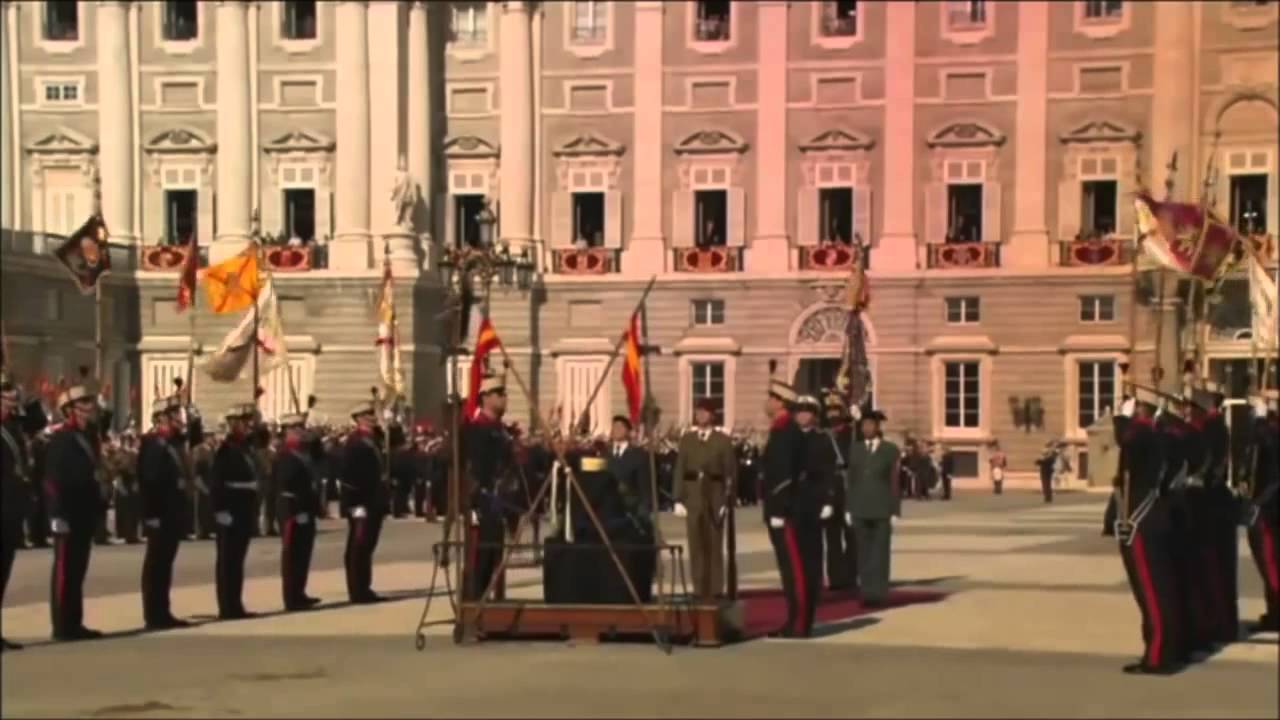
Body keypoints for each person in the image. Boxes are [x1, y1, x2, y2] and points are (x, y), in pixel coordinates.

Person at [1113, 385, 1183, 674]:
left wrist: (1122, 419)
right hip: (1155, 515)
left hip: (1141, 521)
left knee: (1151, 593)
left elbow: (1124, 440)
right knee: (1161, 589)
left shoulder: (1141, 434)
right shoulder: (1161, 436)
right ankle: (1166, 650)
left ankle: (1158, 657)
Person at [45, 384, 106, 641]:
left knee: (77, 571)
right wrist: (56, 513)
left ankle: (74, 622)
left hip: (84, 512)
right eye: (83, 404)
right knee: (64, 571)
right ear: (69, 410)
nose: (89, 408)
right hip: (67, 513)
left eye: (90, 403)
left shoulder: (87, 436)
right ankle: (62, 625)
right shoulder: (62, 438)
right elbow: (52, 479)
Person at [760, 379, 812, 638]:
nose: (767, 402)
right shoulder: (780, 429)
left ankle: (799, 623)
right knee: (787, 567)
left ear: (780, 402)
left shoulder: (786, 431)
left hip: (787, 511)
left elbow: (784, 474)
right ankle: (793, 620)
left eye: (771, 397)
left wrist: (778, 509)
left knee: (794, 568)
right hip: (782, 509)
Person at [673, 400, 737, 602]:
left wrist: (727, 501)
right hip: (693, 496)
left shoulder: (723, 441)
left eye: (704, 412)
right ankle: (699, 588)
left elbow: (731, 473)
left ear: (713, 415)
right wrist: (677, 499)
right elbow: (679, 469)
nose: (700, 416)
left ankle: (716, 587)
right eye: (698, 412)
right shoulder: (687, 440)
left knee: (714, 543)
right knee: (695, 543)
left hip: (715, 495)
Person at [138, 395, 192, 630]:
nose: (179, 420)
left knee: (164, 566)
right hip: (159, 514)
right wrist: (151, 515)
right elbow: (149, 482)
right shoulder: (153, 444)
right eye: (174, 416)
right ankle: (154, 614)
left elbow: (189, 438)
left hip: (171, 514)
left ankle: (163, 611)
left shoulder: (171, 444)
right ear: (161, 418)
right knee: (156, 566)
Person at [462, 373, 518, 601]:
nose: (504, 398)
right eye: (499, 394)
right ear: (485, 397)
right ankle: (474, 603)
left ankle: (487, 601)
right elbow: (473, 469)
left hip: (499, 500)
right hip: (484, 500)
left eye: (504, 394)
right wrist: (477, 498)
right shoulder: (477, 428)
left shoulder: (499, 429)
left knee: (494, 553)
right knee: (481, 556)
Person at [844, 407, 900, 608]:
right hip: (859, 507)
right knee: (863, 552)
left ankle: (879, 592)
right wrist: (848, 508)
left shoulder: (890, 450)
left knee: (880, 552)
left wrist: (895, 510)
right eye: (863, 424)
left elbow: (894, 481)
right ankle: (867, 592)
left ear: (877, 427)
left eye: (870, 424)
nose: (866, 428)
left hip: (882, 508)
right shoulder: (855, 449)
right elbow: (850, 480)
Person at [211, 403, 261, 620]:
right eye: (244, 422)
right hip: (230, 509)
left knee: (237, 561)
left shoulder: (244, 448)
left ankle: (236, 604)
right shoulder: (226, 450)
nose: (248, 425)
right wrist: (220, 509)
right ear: (233, 425)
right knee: (227, 562)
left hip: (243, 510)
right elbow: (217, 482)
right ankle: (227, 607)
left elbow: (262, 435)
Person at [791, 395, 835, 635]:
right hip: (795, 498)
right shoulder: (790, 438)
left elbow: (829, 471)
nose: (804, 416)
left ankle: (815, 589)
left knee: (814, 549)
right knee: (795, 549)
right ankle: (800, 589)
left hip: (814, 497)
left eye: (808, 412)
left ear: (814, 415)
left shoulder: (822, 439)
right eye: (800, 412)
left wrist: (828, 499)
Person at [341, 401, 387, 604]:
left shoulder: (372, 439)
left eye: (372, 412)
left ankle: (364, 586)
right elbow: (349, 476)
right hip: (360, 502)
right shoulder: (355, 442)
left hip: (373, 501)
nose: (372, 416)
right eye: (368, 413)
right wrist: (355, 503)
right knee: (358, 546)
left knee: (367, 544)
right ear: (359, 418)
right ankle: (357, 590)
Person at [275, 413, 321, 611]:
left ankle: (300, 592)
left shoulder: (303, 452)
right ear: (287, 431)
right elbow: (285, 486)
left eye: (302, 427)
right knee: (292, 555)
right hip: (292, 510)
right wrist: (297, 511)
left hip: (306, 509)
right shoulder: (285, 454)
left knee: (304, 553)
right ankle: (291, 598)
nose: (301, 432)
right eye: (297, 428)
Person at [1243, 391, 1279, 633]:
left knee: (1271, 565)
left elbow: (1269, 446)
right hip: (1268, 504)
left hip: (1271, 506)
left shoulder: (1271, 433)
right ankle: (1275, 615)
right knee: (1270, 563)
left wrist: (1261, 420)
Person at [2, 376, 32, 651]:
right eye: (7, 401)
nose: (12, 406)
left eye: (14, 401)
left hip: (10, 511)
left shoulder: (12, 428)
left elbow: (38, 423)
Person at [822, 392, 857, 591]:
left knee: (852, 538)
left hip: (849, 490)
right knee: (832, 538)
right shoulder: (824, 436)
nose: (833, 418)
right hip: (831, 492)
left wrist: (858, 422)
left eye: (836, 413)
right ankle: (836, 578)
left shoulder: (852, 434)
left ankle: (850, 575)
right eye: (830, 414)